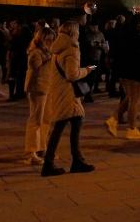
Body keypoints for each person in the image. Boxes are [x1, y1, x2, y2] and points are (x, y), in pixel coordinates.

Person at [40, 20, 95, 176]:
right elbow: (72, 74)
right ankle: (72, 162)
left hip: (60, 92)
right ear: (73, 32)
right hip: (68, 94)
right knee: (72, 124)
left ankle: (55, 162)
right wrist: (87, 70)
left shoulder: (57, 47)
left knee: (60, 127)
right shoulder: (72, 48)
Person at [106, 14, 140, 140]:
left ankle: (113, 119)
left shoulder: (123, 34)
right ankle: (132, 129)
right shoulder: (137, 36)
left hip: (124, 71)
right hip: (135, 70)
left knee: (129, 97)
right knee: (134, 100)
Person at [24, 26, 55, 165]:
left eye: (52, 39)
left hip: (48, 87)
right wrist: (49, 58)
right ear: (41, 38)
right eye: (47, 39)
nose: (50, 41)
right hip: (37, 88)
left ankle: (42, 147)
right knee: (35, 120)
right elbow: (34, 66)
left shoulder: (49, 51)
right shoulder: (36, 52)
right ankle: (31, 152)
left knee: (46, 119)